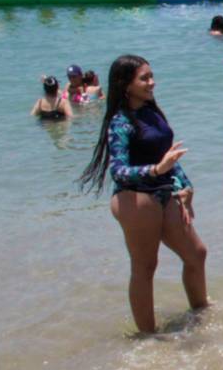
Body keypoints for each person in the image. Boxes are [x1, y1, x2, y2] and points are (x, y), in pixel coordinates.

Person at [77, 55, 208, 334]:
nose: (152, 82)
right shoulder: (120, 122)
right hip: (134, 200)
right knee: (146, 267)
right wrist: (156, 170)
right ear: (126, 84)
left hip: (163, 193)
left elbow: (169, 158)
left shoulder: (152, 112)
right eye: (145, 78)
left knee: (196, 253)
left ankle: (201, 315)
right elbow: (119, 171)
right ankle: (148, 337)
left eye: (152, 76)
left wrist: (186, 186)